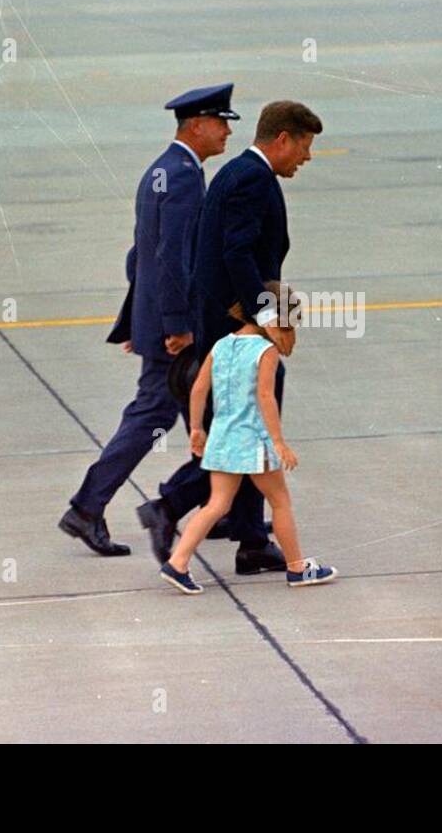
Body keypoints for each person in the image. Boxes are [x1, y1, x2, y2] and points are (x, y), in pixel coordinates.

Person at [138, 101, 323, 576]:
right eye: (304, 146)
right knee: (250, 425)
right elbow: (238, 254)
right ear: (282, 139)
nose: (307, 157)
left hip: (227, 319)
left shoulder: (239, 174)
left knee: (245, 428)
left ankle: (251, 539)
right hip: (237, 324)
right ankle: (171, 504)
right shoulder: (251, 180)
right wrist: (267, 319)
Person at [58, 84, 237, 556]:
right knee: (174, 416)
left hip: (157, 321)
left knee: (187, 416)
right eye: (221, 122)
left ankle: (220, 509)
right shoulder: (182, 177)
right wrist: (176, 324)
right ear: (195, 125)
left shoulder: (165, 170)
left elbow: (140, 254)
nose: (226, 132)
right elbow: (173, 257)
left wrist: (139, 322)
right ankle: (93, 507)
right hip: (175, 329)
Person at [159, 283, 336, 594]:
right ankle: (297, 569)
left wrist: (197, 428)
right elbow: (266, 396)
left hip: (222, 435)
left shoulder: (222, 345)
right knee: (280, 502)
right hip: (253, 440)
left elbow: (199, 387)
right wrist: (278, 442)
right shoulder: (265, 351)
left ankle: (178, 562)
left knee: (216, 504)